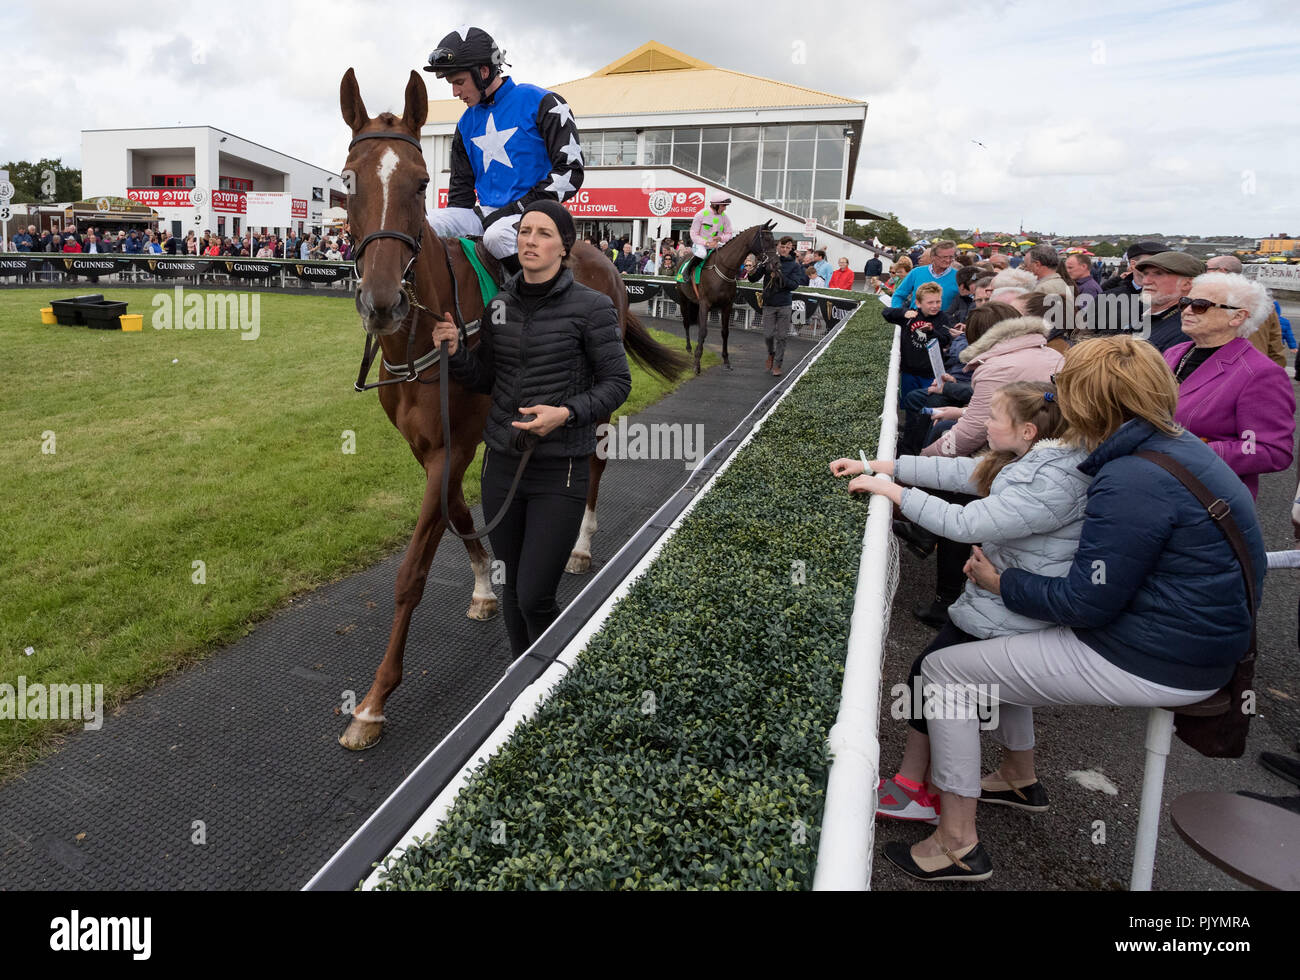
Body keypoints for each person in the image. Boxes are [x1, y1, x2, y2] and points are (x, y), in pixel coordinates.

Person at [874, 336, 1264, 882]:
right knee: (997, 655)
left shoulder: (1132, 476)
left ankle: (957, 843)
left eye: (1062, 386)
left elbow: (1086, 601)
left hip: (1160, 655)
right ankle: (1017, 775)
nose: (1053, 395)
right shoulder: (1168, 445)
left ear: (1086, 399)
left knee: (944, 675)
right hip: (1190, 641)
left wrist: (1001, 580)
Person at [832, 381, 1090, 827]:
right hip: (1014, 605)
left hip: (1007, 609)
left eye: (993, 417)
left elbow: (962, 520)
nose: (982, 423)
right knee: (1005, 692)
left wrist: (889, 492)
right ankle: (1020, 777)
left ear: (1027, 431)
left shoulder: (1047, 479)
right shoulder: (1030, 460)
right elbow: (953, 474)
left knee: (925, 677)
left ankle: (916, 790)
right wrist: (875, 464)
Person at [432, 200, 631, 656]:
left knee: (537, 594)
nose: (529, 240)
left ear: (564, 247)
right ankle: (524, 684)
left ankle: (551, 686)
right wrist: (456, 351)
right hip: (501, 466)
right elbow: (485, 378)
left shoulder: (593, 307)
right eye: (524, 231)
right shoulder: (498, 305)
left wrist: (566, 413)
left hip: (559, 471)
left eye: (543, 233)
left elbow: (618, 383)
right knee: (514, 593)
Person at [424, 26, 584, 270]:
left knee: (497, 236)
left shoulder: (544, 102)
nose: (455, 92)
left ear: (484, 71)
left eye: (459, 82)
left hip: (536, 213)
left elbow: (570, 173)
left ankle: (533, 302)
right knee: (426, 223)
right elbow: (460, 194)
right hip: (486, 214)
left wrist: (517, 208)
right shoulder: (466, 123)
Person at [1163, 271, 1294, 499]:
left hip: (1206, 498)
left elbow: (1272, 450)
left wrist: (1186, 452)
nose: (1187, 310)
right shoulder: (1174, 353)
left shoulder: (1260, 373)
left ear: (1237, 317)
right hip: (1157, 486)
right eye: (1185, 302)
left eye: (1201, 305)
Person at [747, 236, 807, 377]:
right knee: (768, 335)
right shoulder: (768, 261)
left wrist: (779, 276)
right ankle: (771, 354)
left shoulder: (795, 266)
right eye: (782, 246)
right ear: (777, 246)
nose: (784, 249)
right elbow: (753, 279)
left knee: (782, 336)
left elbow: (794, 285)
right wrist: (751, 271)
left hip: (784, 305)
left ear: (791, 248)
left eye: (787, 247)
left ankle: (778, 364)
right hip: (769, 304)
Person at [883, 282, 953, 401]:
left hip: (931, 374)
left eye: (938, 301)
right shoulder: (911, 315)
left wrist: (931, 331)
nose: (935, 306)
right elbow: (886, 313)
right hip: (908, 372)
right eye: (930, 302)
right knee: (909, 402)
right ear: (918, 303)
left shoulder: (943, 318)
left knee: (928, 404)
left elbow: (945, 340)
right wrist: (903, 312)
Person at [1133, 250, 1204, 352]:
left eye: (1158, 274)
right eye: (1145, 274)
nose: (1145, 281)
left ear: (1187, 284)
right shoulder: (1140, 313)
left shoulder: (1187, 329)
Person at [678, 192, 734, 284]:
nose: (725, 208)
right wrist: (707, 243)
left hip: (717, 244)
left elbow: (729, 233)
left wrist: (720, 238)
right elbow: (694, 234)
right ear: (716, 205)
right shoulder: (700, 215)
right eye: (723, 206)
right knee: (702, 254)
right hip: (700, 245)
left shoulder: (725, 217)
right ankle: (686, 271)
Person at [891, 240, 959, 310]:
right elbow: (898, 295)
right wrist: (899, 312)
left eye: (951, 257)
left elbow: (966, 304)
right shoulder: (916, 272)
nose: (948, 260)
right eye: (944, 257)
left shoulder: (958, 277)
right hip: (916, 319)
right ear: (933, 257)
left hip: (943, 320)